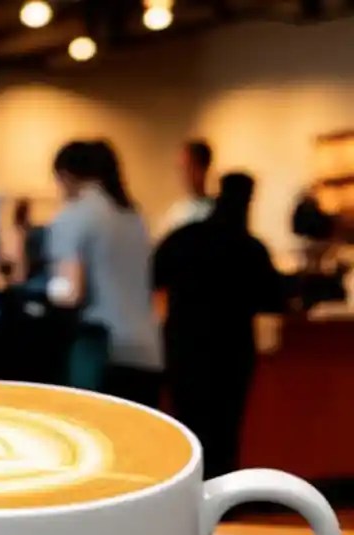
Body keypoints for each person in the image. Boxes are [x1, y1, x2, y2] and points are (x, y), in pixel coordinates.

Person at [154, 173, 285, 479]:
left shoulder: (184, 237)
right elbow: (273, 299)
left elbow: (154, 279)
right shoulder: (251, 248)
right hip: (232, 350)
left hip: (183, 347)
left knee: (187, 427)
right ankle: (222, 498)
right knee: (225, 430)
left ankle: (188, 493)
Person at [47, 140, 163, 407]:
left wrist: (37, 286)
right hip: (148, 349)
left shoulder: (74, 216)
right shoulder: (133, 215)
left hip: (103, 353)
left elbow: (69, 292)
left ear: (66, 176)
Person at [158, 140, 215, 239]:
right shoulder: (175, 215)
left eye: (188, 167)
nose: (183, 174)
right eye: (181, 168)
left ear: (202, 169)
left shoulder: (216, 213)